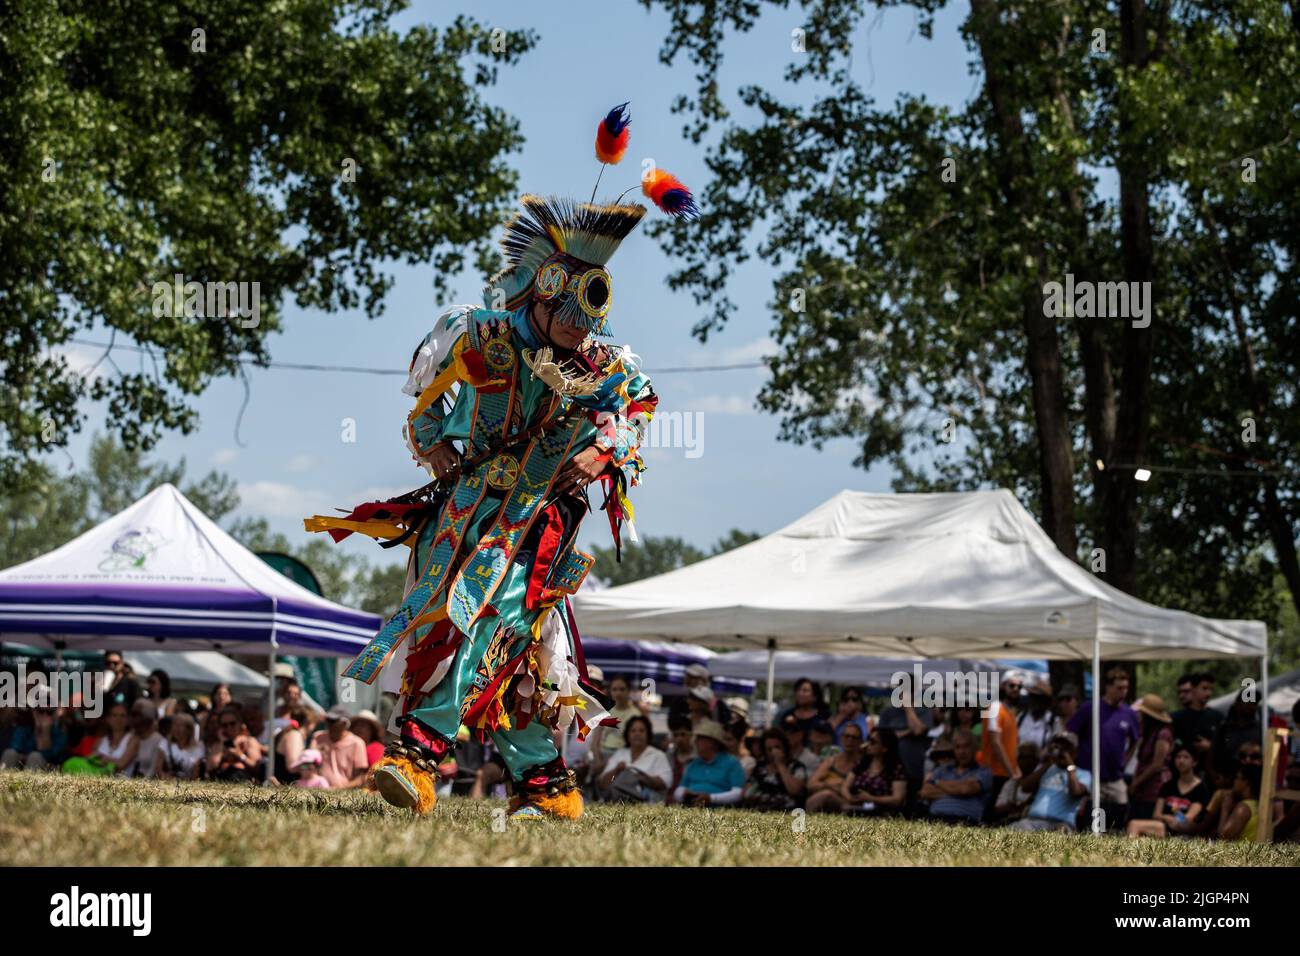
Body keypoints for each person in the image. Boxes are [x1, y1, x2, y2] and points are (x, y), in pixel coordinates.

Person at [305, 119, 689, 820]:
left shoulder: (602, 365)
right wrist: (440, 453)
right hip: (464, 513)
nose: (581, 324)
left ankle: (457, 762)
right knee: (467, 625)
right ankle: (507, 773)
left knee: (514, 629)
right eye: (568, 307)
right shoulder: (480, 336)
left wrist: (601, 450)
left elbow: (636, 412)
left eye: (591, 307)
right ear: (540, 294)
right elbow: (424, 410)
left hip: (538, 523)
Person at [1066, 666, 1138, 829]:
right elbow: (1070, 733)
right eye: (1119, 688)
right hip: (1089, 775)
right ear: (1108, 687)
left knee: (1120, 811)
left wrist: (1125, 761)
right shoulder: (1090, 708)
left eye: (1126, 688)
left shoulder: (1128, 713)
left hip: (1115, 776)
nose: (1124, 692)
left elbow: (1135, 740)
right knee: (1091, 818)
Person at [1009, 732, 1091, 833]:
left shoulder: (1083, 774)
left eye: (1066, 747)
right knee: (1015, 829)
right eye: (1058, 746)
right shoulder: (1046, 769)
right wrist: (1049, 763)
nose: (1061, 751)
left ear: (1075, 752)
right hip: (1033, 821)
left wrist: (1069, 765)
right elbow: (1025, 787)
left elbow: (1076, 792)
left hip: (1061, 824)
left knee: (1060, 831)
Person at [1125, 744, 1209, 839]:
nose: (1181, 761)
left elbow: (1188, 819)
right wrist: (1168, 818)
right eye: (1178, 757)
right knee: (1137, 831)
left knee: (1134, 824)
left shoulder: (1201, 788)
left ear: (1195, 762)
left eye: (1186, 757)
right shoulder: (1168, 786)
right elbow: (1156, 814)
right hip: (1164, 826)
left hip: (1184, 832)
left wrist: (1169, 818)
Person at [919, 730, 991, 825]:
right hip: (934, 819)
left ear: (975, 749)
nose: (962, 751)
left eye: (966, 746)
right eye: (958, 747)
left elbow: (966, 789)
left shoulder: (984, 771)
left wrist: (936, 782)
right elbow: (925, 792)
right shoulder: (942, 770)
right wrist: (958, 792)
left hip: (964, 821)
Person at [596, 714, 672, 804]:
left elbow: (665, 784)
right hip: (616, 801)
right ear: (627, 735)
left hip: (647, 804)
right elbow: (602, 784)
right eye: (633, 731)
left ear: (648, 734)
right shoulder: (620, 754)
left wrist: (641, 778)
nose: (637, 733)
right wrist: (616, 770)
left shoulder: (658, 755)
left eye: (641, 730)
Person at [675, 719, 746, 808]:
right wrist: (684, 794)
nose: (695, 742)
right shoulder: (694, 764)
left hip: (719, 812)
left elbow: (738, 793)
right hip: (691, 807)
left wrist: (711, 798)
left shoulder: (732, 763)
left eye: (700, 739)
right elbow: (678, 790)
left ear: (712, 742)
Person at [839, 728, 907, 816]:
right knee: (827, 796)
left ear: (884, 748)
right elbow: (845, 786)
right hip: (856, 806)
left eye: (873, 742)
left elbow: (897, 799)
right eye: (868, 740)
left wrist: (871, 798)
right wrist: (850, 798)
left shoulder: (896, 768)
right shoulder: (862, 764)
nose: (868, 745)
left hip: (882, 813)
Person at [1128, 693, 1174, 820]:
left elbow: (1157, 765)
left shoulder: (1163, 734)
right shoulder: (1147, 733)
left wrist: (1137, 782)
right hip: (1143, 787)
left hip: (1155, 787)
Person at [980, 673, 1022, 808]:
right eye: (1012, 685)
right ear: (1003, 686)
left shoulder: (1011, 712)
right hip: (993, 772)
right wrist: (1012, 772)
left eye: (1019, 686)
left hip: (1004, 772)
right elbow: (995, 743)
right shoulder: (995, 707)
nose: (1016, 689)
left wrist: (1015, 769)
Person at [805, 721, 865, 813]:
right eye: (846, 736)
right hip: (822, 800)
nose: (850, 740)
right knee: (826, 795)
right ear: (841, 738)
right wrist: (829, 785)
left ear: (860, 741)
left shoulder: (862, 764)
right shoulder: (831, 761)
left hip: (847, 803)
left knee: (827, 795)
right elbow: (810, 785)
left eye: (854, 737)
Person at [742, 729, 808, 812]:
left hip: (786, 810)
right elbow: (747, 792)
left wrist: (780, 765)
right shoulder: (760, 767)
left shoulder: (796, 767)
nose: (774, 752)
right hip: (760, 809)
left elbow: (795, 790)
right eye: (769, 749)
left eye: (777, 747)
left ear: (785, 747)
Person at [310, 706, 369, 790]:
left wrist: (338, 789)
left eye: (333, 721)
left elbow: (360, 778)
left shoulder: (357, 743)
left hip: (344, 793)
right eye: (328, 720)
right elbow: (308, 764)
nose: (329, 724)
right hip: (316, 789)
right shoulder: (317, 737)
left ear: (345, 724)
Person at [206, 704, 265, 782]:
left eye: (232, 723)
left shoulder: (249, 741)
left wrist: (240, 755)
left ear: (240, 723)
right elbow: (211, 767)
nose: (229, 727)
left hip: (243, 780)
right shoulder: (218, 744)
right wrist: (222, 742)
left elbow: (256, 767)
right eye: (224, 725)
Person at [1, 706, 67, 771]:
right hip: (21, 765)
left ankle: (28, 781)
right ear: (34, 712)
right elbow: (15, 748)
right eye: (40, 711)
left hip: (45, 770)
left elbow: (52, 758)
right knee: (10, 753)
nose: (44, 715)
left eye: (49, 713)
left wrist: (45, 733)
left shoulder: (60, 734)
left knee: (35, 757)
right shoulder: (24, 729)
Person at [991, 742, 1041, 822]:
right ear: (1017, 760)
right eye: (1022, 757)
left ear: (1037, 760)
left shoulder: (1043, 783)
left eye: (1029, 757)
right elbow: (997, 809)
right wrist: (1012, 807)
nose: (1025, 761)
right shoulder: (1011, 783)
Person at [1217, 764, 1262, 842]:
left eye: (1237, 777)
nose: (1234, 781)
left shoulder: (1244, 808)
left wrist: (1225, 809)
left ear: (1246, 782)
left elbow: (1223, 837)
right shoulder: (1259, 804)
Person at [156, 712, 205, 780]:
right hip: (168, 782)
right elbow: (158, 770)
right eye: (174, 724)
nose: (176, 728)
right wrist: (168, 778)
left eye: (180, 725)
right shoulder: (164, 743)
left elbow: (195, 776)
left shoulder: (198, 748)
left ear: (189, 729)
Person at [125, 699, 165, 778]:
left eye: (137, 714)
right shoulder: (129, 736)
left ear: (148, 718)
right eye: (132, 714)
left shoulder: (158, 741)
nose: (133, 718)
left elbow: (153, 771)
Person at [1017, 679, 1055, 753]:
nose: (1034, 701)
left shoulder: (1052, 721)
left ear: (1046, 701)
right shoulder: (1021, 717)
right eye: (1032, 697)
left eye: (1038, 698)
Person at [665, 715, 696, 803]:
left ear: (691, 735)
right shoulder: (668, 755)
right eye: (675, 735)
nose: (679, 739)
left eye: (683, 734)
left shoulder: (698, 757)